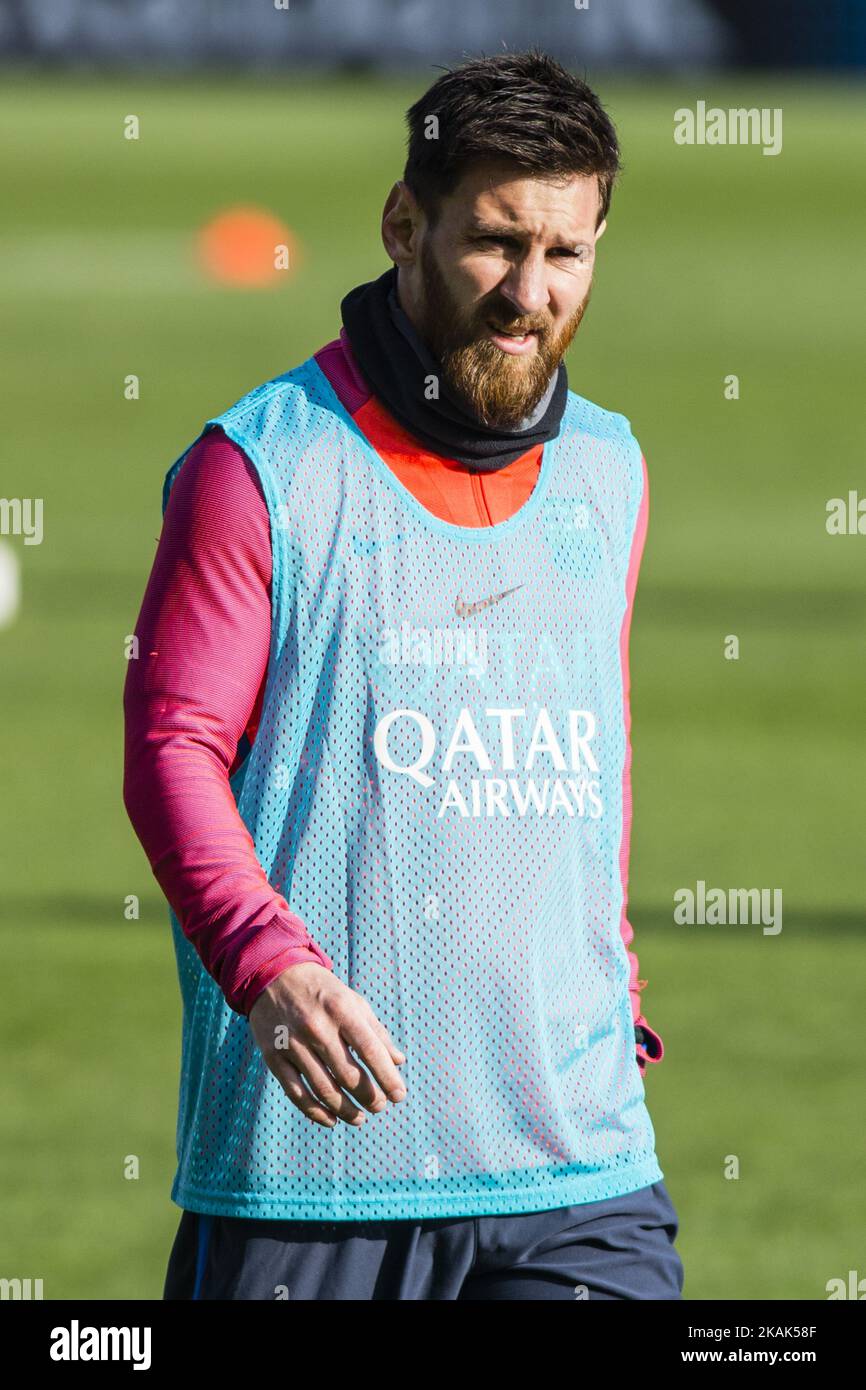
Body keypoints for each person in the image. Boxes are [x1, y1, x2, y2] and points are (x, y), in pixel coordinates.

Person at [123, 48, 683, 1301]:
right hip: (315, 1170)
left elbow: (592, 755)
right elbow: (173, 743)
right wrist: (265, 965)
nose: (527, 293)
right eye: (493, 242)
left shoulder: (611, 469)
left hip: (575, 1169)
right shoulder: (256, 469)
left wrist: (614, 986)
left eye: (567, 253)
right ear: (402, 223)